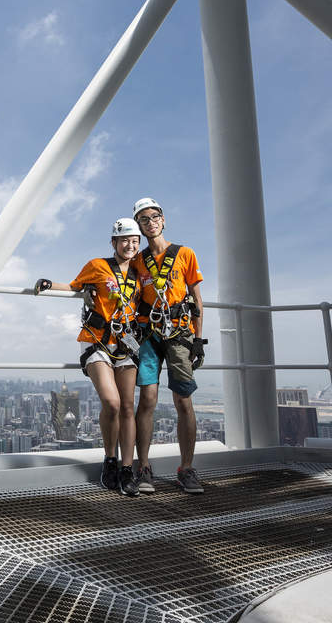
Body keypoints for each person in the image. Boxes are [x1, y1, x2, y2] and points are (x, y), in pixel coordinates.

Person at [34, 218, 143, 497]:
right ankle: (110, 460)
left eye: (134, 241)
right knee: (112, 402)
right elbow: (74, 284)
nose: (130, 245)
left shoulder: (141, 272)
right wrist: (48, 284)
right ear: (113, 242)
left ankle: (127, 469)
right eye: (124, 240)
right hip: (96, 341)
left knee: (129, 407)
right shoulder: (97, 266)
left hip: (126, 344)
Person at [130, 197, 208, 494]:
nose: (149, 223)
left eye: (153, 217)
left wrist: (198, 339)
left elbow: (197, 300)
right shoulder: (139, 261)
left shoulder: (185, 254)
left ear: (163, 219)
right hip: (149, 335)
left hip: (179, 334)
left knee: (183, 401)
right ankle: (144, 467)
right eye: (143, 220)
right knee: (147, 400)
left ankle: (186, 469)